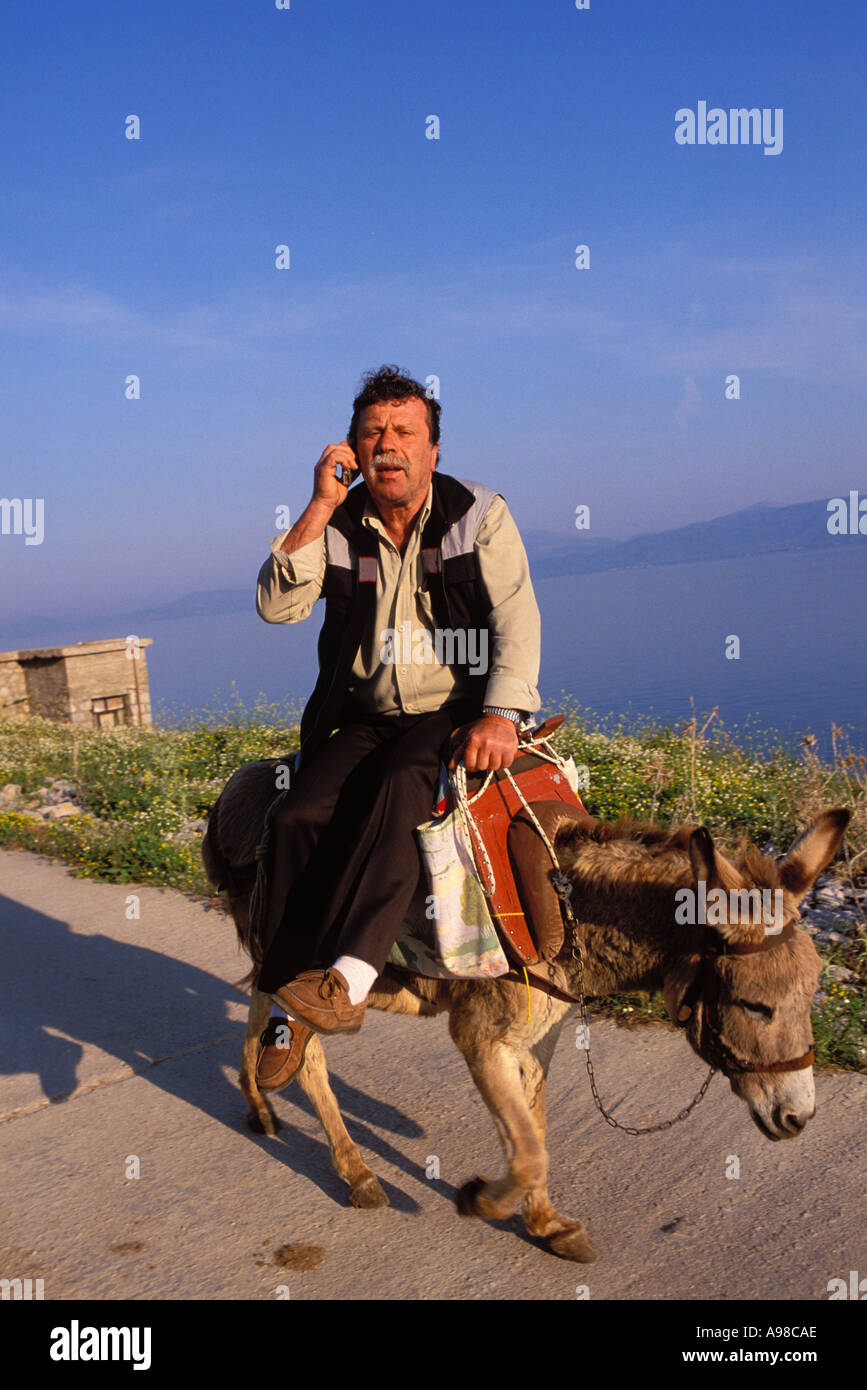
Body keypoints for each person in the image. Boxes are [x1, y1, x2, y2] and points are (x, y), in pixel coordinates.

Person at [253, 365, 541, 1088]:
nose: (387, 445)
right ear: (351, 447)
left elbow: (515, 616)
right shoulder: (338, 521)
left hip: (453, 711)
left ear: (432, 450)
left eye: (403, 432)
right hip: (364, 714)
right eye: (372, 433)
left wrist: (502, 715)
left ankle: (347, 980)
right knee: (293, 817)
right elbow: (276, 608)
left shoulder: (478, 513)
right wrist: (320, 503)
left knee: (400, 782)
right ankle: (286, 1003)